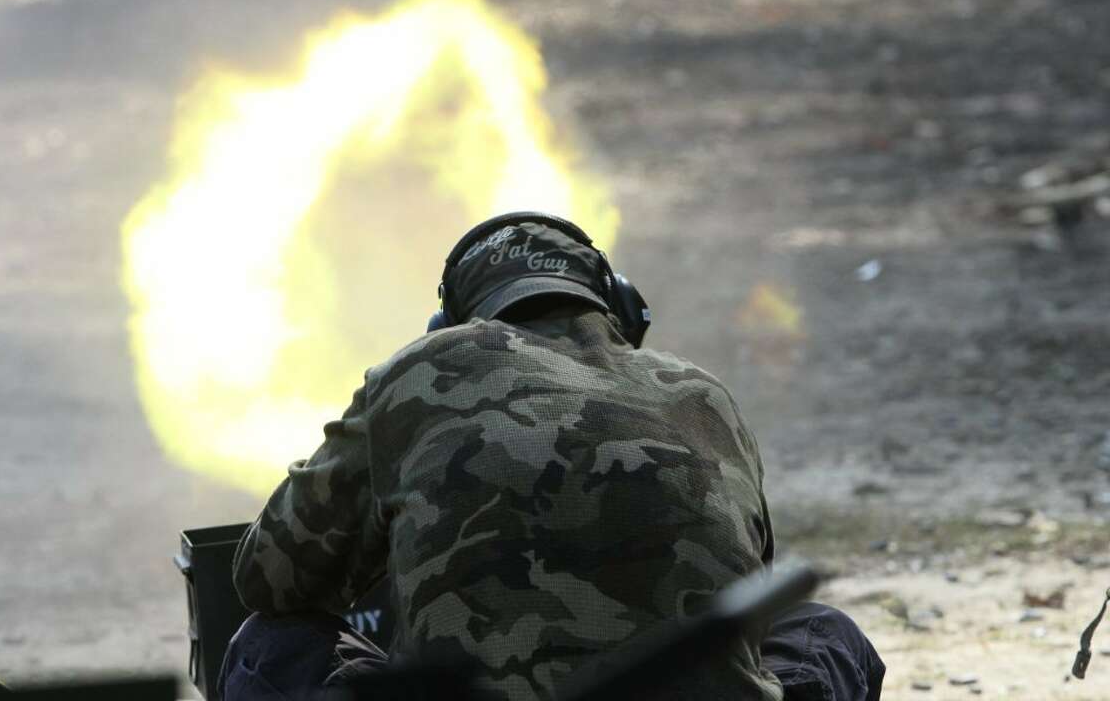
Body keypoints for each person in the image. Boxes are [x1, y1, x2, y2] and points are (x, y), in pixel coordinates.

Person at [223, 212, 884, 700]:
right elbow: (746, 593)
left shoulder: (420, 372)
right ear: (623, 308)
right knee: (825, 633)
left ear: (453, 327)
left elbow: (267, 580)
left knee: (267, 647)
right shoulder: (704, 394)